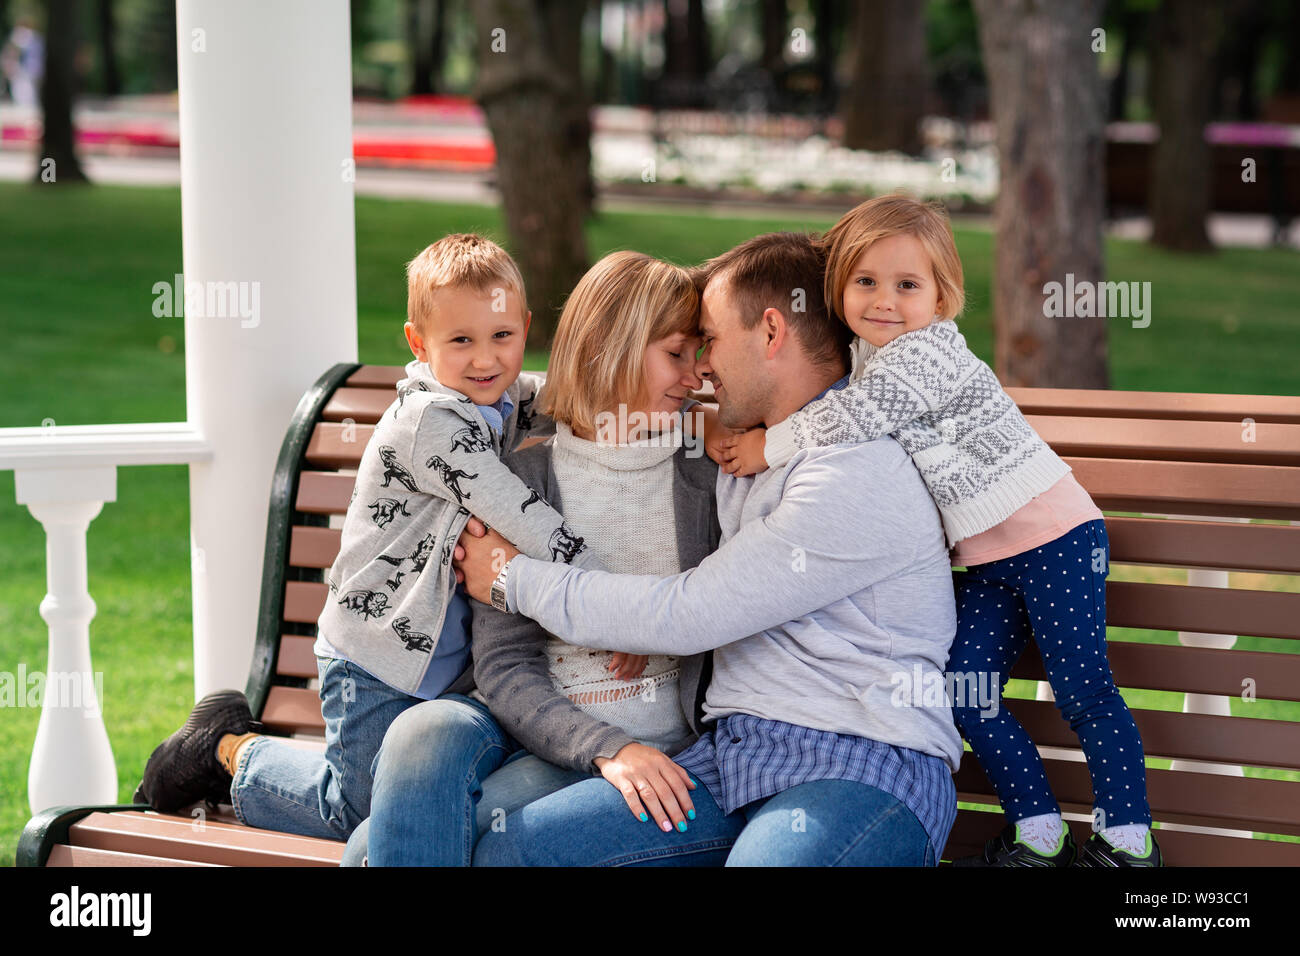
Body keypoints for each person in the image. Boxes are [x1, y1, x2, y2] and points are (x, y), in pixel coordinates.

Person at [455, 231, 964, 867]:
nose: (704, 369)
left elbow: (690, 614)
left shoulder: (852, 472)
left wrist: (510, 579)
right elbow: (606, 405)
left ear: (772, 332)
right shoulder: (747, 450)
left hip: (858, 760)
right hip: (732, 758)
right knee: (514, 853)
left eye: (713, 340)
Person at [716, 196, 1160, 867]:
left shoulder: (929, 354)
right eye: (865, 281)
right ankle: (1038, 833)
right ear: (838, 288)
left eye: (907, 285)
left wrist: (765, 448)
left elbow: (858, 415)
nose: (884, 300)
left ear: (941, 297)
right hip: (988, 561)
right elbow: (829, 398)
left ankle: (1129, 838)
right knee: (965, 691)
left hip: (1056, 540)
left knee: (1082, 687)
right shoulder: (866, 357)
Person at [137, 234, 612, 840]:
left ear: (523, 327)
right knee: (362, 812)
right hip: (376, 661)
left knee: (426, 798)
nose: (485, 359)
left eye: (501, 337)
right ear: (419, 342)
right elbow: (526, 518)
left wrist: (682, 412)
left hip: (449, 670)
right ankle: (227, 751)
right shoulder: (430, 426)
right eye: (460, 340)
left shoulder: (501, 397)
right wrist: (613, 604)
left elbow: (576, 399)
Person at [342, 250, 720, 866]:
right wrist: (599, 742)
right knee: (371, 836)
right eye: (677, 354)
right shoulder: (521, 476)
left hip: (666, 751)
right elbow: (507, 663)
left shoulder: (711, 473)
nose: (696, 377)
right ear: (610, 349)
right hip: (553, 740)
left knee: (394, 849)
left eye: (699, 355)